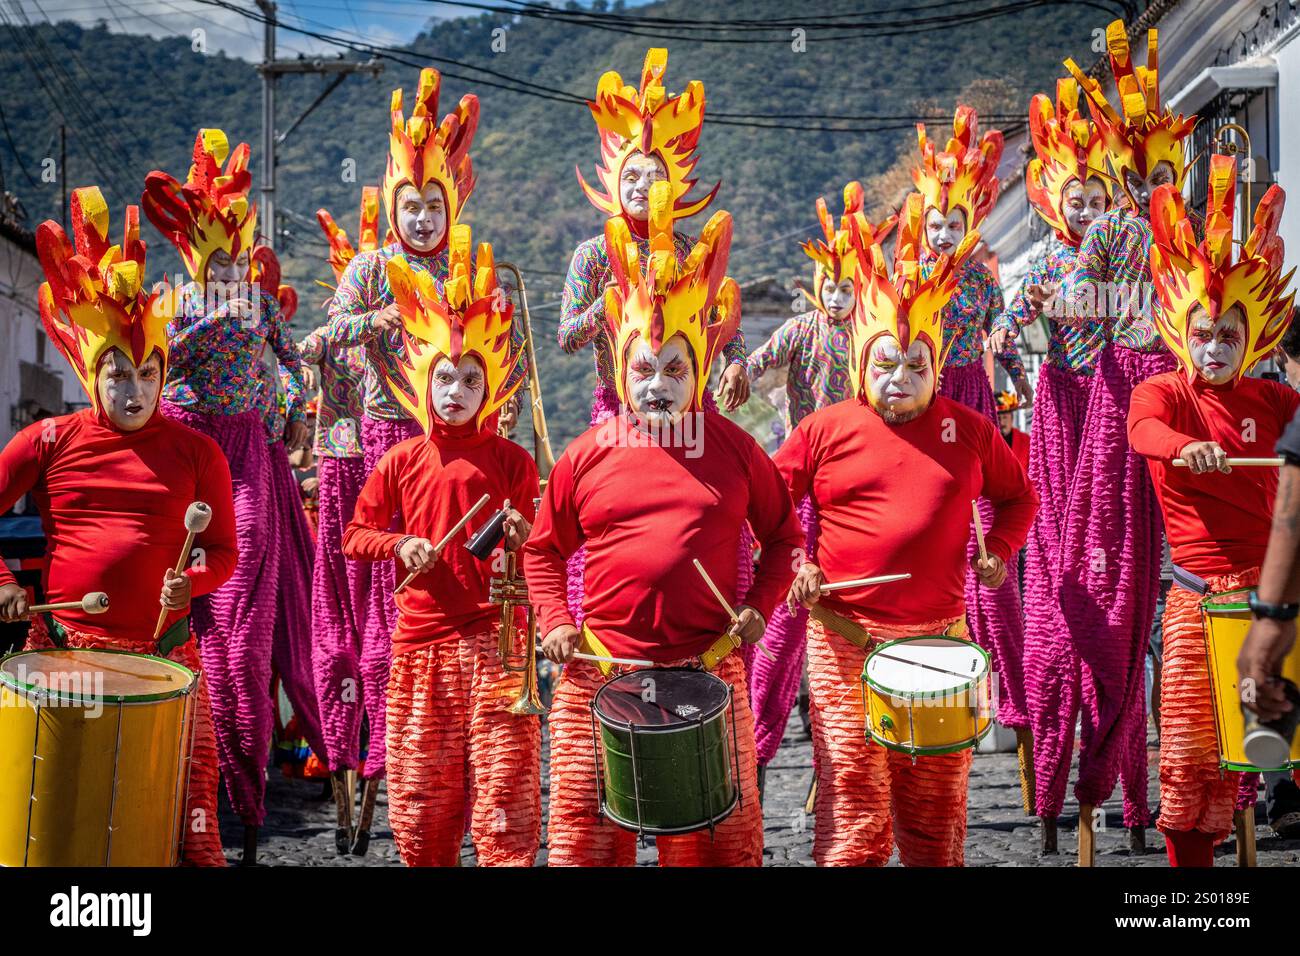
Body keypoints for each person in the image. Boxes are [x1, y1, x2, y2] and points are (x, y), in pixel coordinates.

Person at [525, 184, 803, 866]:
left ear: (697, 369)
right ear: (622, 368)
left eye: (673, 368)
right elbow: (542, 550)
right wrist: (556, 622)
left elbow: (786, 539)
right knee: (585, 853)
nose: (657, 383)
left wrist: (759, 609)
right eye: (643, 368)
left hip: (708, 676)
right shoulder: (587, 454)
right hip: (598, 677)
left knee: (716, 855)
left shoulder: (736, 449)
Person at [775, 196, 1038, 866]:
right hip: (845, 644)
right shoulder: (825, 428)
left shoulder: (970, 427)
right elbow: (767, 502)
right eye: (886, 364)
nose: (900, 379)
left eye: (915, 365)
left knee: (935, 815)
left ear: (936, 365)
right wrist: (796, 563)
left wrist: (1000, 552)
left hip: (940, 645)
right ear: (864, 363)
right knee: (856, 813)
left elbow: (1018, 499)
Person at [0, 187, 238, 865]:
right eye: (118, 375)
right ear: (91, 371)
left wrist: (190, 584)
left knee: (189, 827)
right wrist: (5, 583)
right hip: (62, 654)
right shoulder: (48, 439)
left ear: (164, 375)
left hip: (165, 658)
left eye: (147, 374)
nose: (133, 391)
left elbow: (225, 551)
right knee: (52, 824)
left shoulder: (199, 451)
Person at [342, 225, 541, 866]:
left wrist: (518, 535)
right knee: (423, 809)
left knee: (504, 801)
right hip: (420, 647)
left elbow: (538, 543)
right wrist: (399, 546)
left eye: (469, 382)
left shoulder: (512, 459)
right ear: (425, 382)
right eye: (445, 378)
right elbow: (354, 534)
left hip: (496, 642)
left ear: (491, 390)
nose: (455, 392)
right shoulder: (401, 458)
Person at [1047, 18, 1200, 850]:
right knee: (1109, 588)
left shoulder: (1196, 238)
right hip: (1116, 404)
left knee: (1192, 577)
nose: (1154, 184)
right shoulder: (1108, 236)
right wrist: (1127, 311)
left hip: (1185, 401)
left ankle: (1208, 778)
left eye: (1166, 169)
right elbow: (1073, 327)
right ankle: (1108, 771)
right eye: (1141, 173)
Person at [142, 129, 308, 861]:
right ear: (194, 255)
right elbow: (139, 361)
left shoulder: (261, 307)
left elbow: (295, 365)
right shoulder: (173, 303)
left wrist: (289, 411)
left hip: (245, 457)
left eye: (239, 257)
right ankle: (170, 786)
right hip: (179, 452)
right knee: (173, 612)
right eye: (218, 258)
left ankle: (243, 798)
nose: (231, 268)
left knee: (240, 628)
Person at [1129, 156, 1297, 865]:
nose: (1214, 345)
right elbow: (1141, 433)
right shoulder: (1164, 392)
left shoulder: (1277, 400)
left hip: (1275, 598)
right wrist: (1183, 448)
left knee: (1260, 754)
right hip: (1201, 606)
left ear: (1251, 336)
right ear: (1180, 332)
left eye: (1229, 334)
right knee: (1192, 765)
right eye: (1202, 332)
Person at [326, 68, 480, 824]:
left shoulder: (466, 265)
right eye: (410, 207)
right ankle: (381, 747)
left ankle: (445, 746)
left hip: (453, 444)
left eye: (433, 206)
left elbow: (493, 351)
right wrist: (373, 322)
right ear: (393, 209)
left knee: (450, 595)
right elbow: (322, 340)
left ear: (451, 206)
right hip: (384, 438)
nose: (422, 219)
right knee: (383, 604)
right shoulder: (367, 268)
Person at [992, 85, 1110, 826]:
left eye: (1098, 197)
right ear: (1054, 204)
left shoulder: (1127, 254)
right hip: (1063, 404)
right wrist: (1011, 328)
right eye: (1077, 199)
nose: (1088, 210)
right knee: (1059, 545)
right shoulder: (1042, 263)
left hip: (1118, 398)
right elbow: (1013, 314)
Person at [912, 106, 1034, 749]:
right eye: (935, 223)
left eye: (954, 223)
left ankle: (1010, 701)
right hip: (926, 398)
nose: (942, 232)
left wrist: (1015, 382)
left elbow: (1002, 339)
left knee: (984, 535)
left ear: (970, 224)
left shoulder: (984, 280)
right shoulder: (907, 278)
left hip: (971, 396)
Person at [743, 183, 866, 785]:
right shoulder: (802, 331)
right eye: (830, 286)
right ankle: (758, 744)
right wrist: (736, 369)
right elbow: (761, 357)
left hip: (856, 485)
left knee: (853, 613)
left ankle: (853, 748)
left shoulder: (873, 336)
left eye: (848, 287)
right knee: (784, 621)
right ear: (817, 286)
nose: (839, 297)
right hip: (803, 478)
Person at [306, 189, 378, 852]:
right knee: (338, 633)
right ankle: (338, 750)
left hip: (394, 473)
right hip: (341, 477)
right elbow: (316, 343)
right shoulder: (337, 336)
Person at [997, 390, 1030, 472]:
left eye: (1005, 417)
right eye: (998, 418)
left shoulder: (1026, 441)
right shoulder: (987, 442)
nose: (1001, 422)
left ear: (1012, 418)